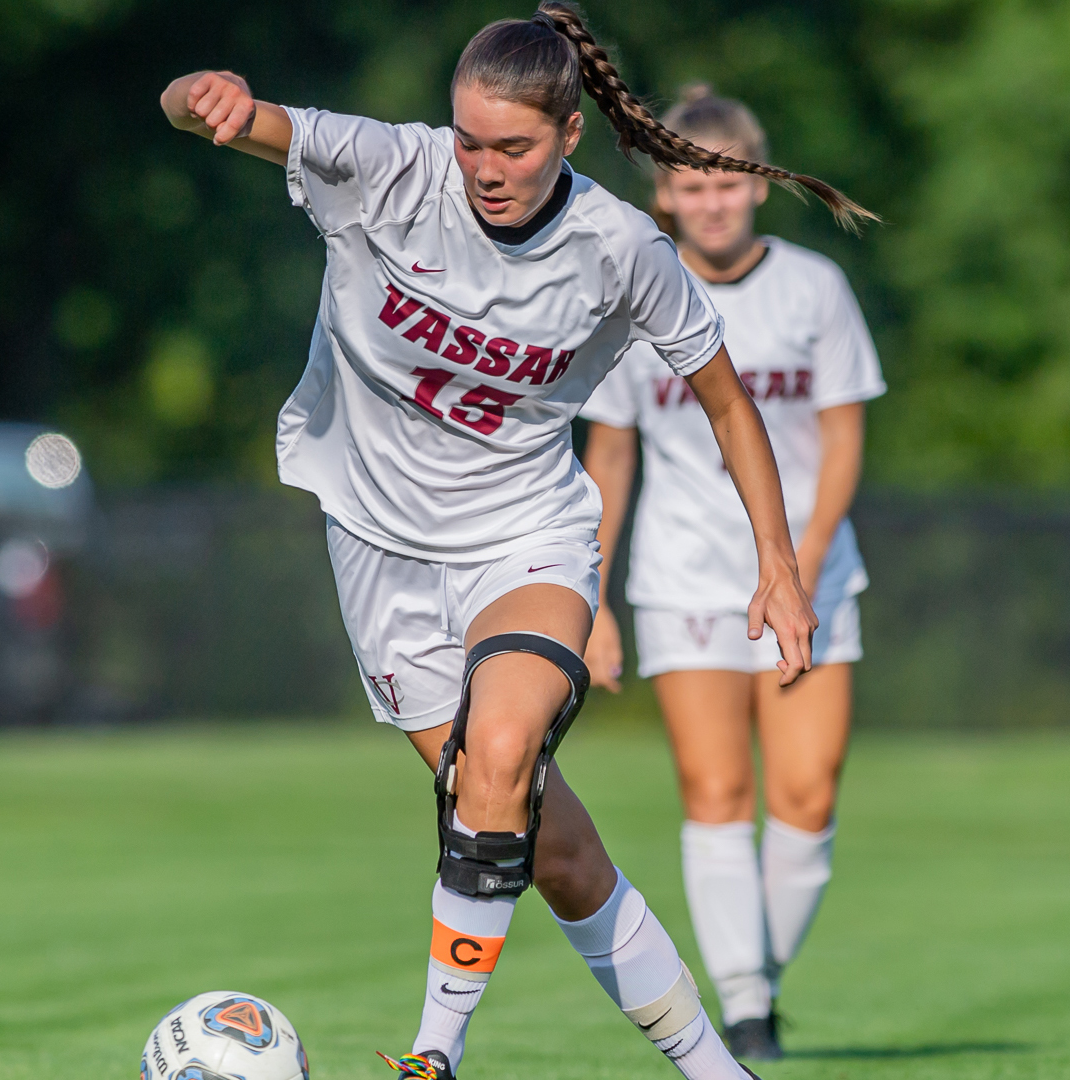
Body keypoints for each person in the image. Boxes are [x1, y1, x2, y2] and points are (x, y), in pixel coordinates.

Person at [159, 6, 873, 1079]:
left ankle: (433, 1055)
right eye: (470, 140)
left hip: (526, 536)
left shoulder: (621, 246)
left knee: (499, 754)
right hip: (377, 551)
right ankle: (718, 1069)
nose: (485, 169)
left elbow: (727, 402)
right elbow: (219, 116)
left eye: (515, 147)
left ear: (570, 137)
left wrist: (777, 562)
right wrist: (198, 93)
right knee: (554, 848)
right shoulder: (387, 169)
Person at [577, 86, 884, 1061]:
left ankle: (758, 977)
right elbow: (611, 456)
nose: (708, 202)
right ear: (663, 195)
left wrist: (801, 560)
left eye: (723, 181)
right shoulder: (638, 292)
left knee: (808, 794)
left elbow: (841, 439)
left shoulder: (814, 290)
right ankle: (746, 1008)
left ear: (754, 183)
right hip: (684, 577)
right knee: (715, 792)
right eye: (686, 184)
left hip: (810, 576)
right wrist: (592, 598)